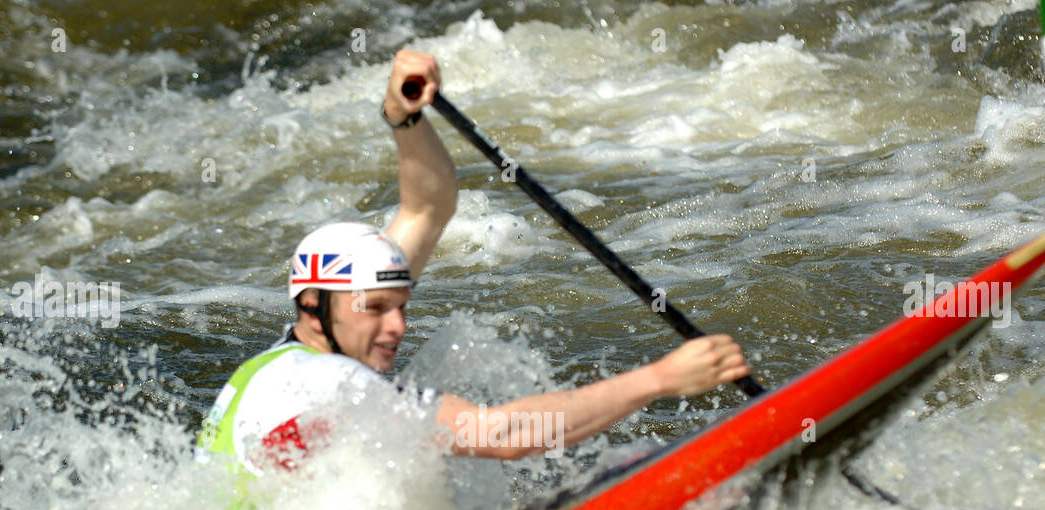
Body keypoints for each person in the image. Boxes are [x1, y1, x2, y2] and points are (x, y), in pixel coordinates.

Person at [196, 49, 751, 476]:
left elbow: (427, 206)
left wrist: (404, 119)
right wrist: (659, 379)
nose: (398, 326)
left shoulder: (291, 353)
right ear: (313, 306)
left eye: (401, 305)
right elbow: (504, 435)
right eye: (377, 309)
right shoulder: (336, 382)